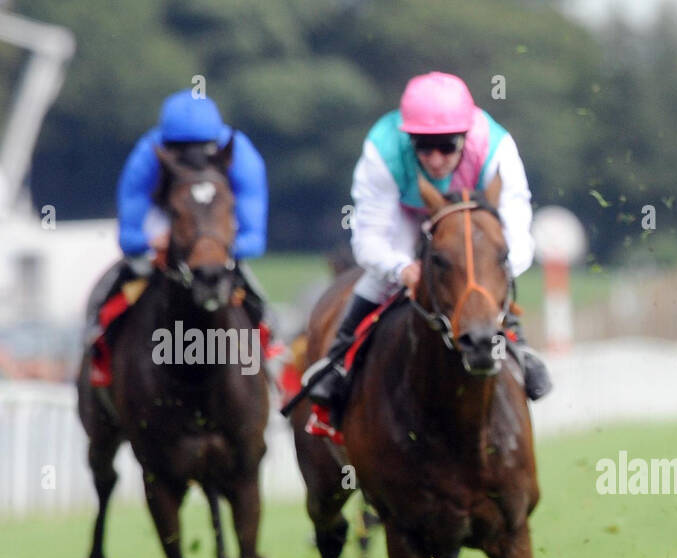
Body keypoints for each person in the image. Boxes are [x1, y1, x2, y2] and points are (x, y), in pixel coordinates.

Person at [301, 71, 550, 417]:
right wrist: (401, 268)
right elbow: (370, 238)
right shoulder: (383, 149)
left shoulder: (496, 148)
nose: (435, 159)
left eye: (447, 146)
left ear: (466, 137)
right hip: (406, 214)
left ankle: (520, 348)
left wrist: (497, 266)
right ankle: (338, 360)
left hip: (473, 222)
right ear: (409, 139)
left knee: (481, 273)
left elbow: (518, 231)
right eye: (424, 146)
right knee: (380, 279)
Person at [88, 90, 271, 333]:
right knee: (131, 272)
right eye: (179, 150)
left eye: (202, 149)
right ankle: (95, 333)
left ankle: (270, 335)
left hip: (217, 226)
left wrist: (216, 248)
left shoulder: (241, 155)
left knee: (245, 284)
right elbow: (128, 237)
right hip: (165, 219)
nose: (192, 159)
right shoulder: (147, 155)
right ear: (166, 145)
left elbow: (253, 240)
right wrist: (150, 243)